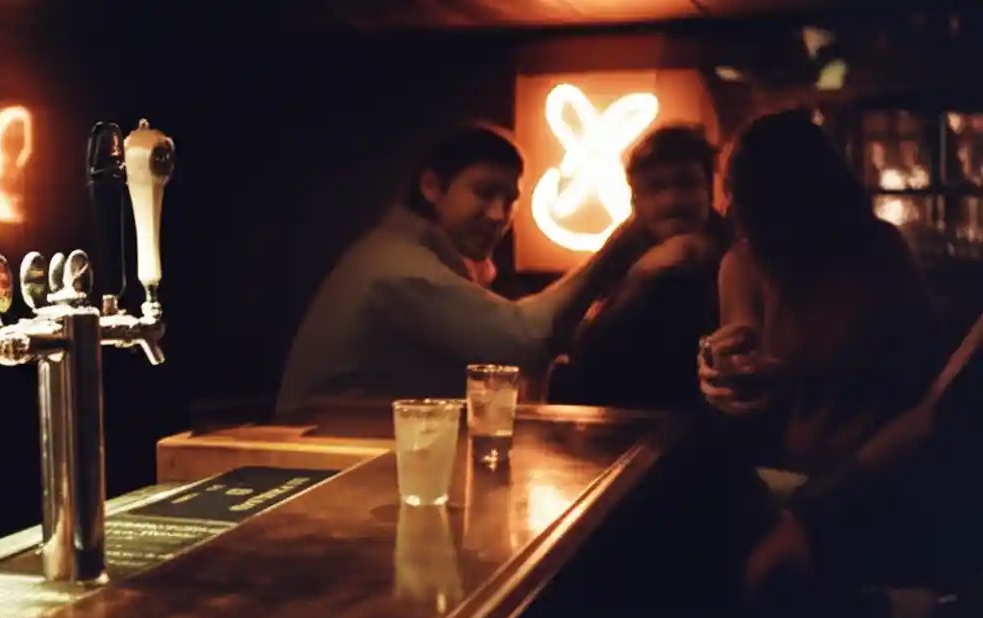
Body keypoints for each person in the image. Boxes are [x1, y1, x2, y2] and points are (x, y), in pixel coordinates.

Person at [274, 123, 650, 420]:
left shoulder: (398, 254)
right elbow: (525, 340)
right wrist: (630, 236)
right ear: (431, 186)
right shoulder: (401, 270)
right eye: (484, 193)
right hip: (323, 465)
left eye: (509, 200)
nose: (498, 215)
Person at [697, 109, 939, 474]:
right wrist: (715, 364)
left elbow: (920, 367)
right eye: (727, 188)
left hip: (886, 464)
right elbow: (741, 346)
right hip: (788, 472)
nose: (727, 207)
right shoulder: (742, 263)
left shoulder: (877, 250)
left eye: (741, 190)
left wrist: (790, 373)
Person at [555, 125, 732, 409]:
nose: (672, 200)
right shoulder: (620, 258)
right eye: (656, 187)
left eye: (686, 184)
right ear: (634, 201)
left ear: (710, 192)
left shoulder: (738, 259)